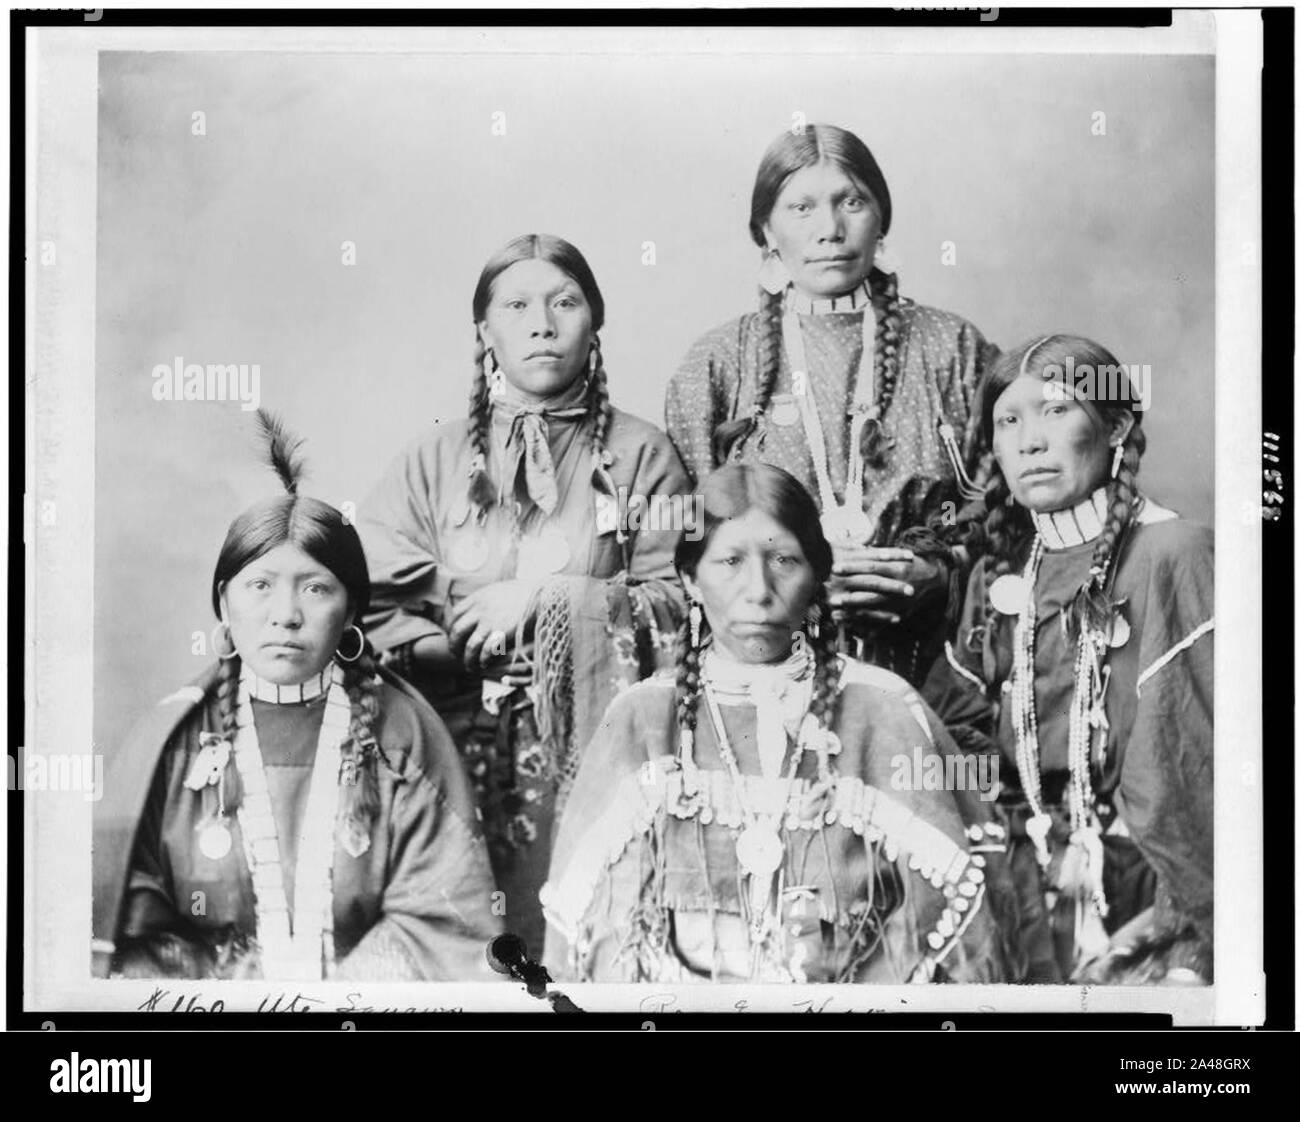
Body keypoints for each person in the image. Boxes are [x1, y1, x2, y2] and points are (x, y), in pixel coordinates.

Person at [541, 463, 1008, 984]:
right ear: (691, 581)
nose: (759, 589)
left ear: (816, 579)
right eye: (730, 562)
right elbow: (595, 931)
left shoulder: (884, 709)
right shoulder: (644, 718)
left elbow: (955, 911)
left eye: (784, 560)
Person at [359, 234, 689, 957]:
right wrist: (455, 639)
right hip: (446, 755)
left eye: (564, 303)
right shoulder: (432, 458)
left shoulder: (644, 457)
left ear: (594, 323)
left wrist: (543, 602)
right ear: (485, 331)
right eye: (517, 306)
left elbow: (680, 604)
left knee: (578, 946)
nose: (542, 323)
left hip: (592, 756)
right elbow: (365, 594)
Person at [93, 412, 502, 982]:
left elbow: (441, 921)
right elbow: (136, 936)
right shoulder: (175, 743)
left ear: (353, 609)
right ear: (224, 604)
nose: (285, 615)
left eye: (315, 588)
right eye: (260, 586)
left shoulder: (402, 735)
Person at [666, 123, 1000, 687]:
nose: (830, 229)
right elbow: (685, 545)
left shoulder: (954, 348)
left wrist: (940, 573)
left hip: (938, 667)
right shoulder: (718, 363)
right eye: (801, 208)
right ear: (765, 231)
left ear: (882, 220)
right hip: (766, 673)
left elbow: (1009, 511)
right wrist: (791, 577)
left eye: (852, 201)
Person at [923, 335, 1213, 984]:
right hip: (1020, 890)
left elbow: (1195, 775)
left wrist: (1177, 929)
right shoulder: (996, 579)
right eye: (1010, 420)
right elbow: (951, 744)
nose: (1031, 440)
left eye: (1056, 410)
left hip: (1150, 889)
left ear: (1114, 427)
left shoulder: (1176, 555)